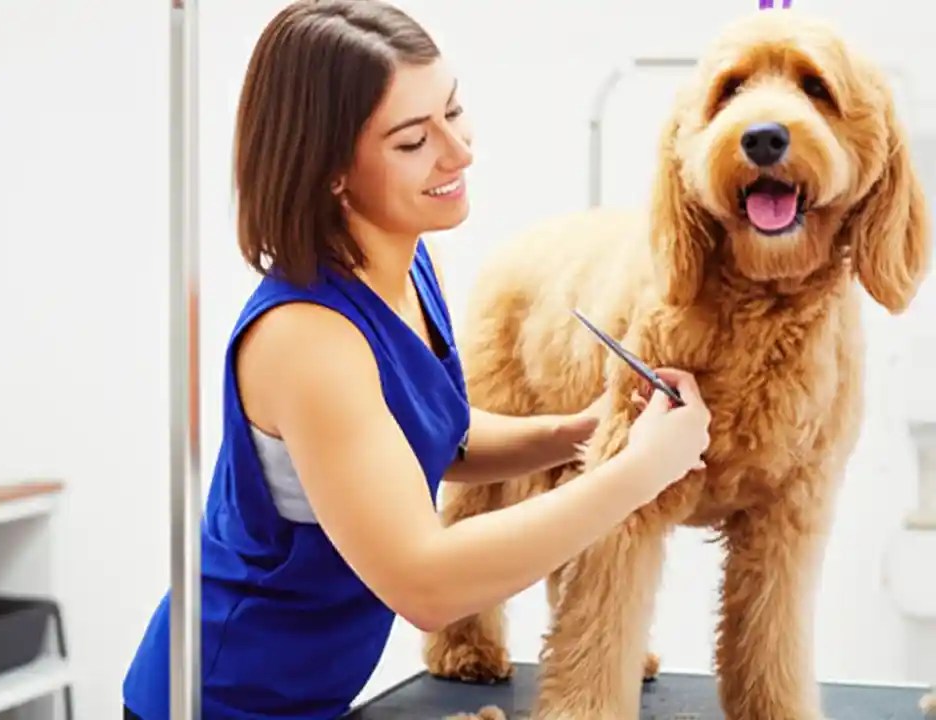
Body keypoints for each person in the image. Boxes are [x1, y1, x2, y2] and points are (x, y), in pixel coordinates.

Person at [122, 1, 712, 718]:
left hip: (312, 695)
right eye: (412, 141)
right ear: (331, 171)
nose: (458, 152)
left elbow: (434, 435)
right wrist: (640, 470)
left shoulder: (402, 265)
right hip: (225, 701)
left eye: (453, 112)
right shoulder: (307, 339)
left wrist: (576, 431)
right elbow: (426, 585)